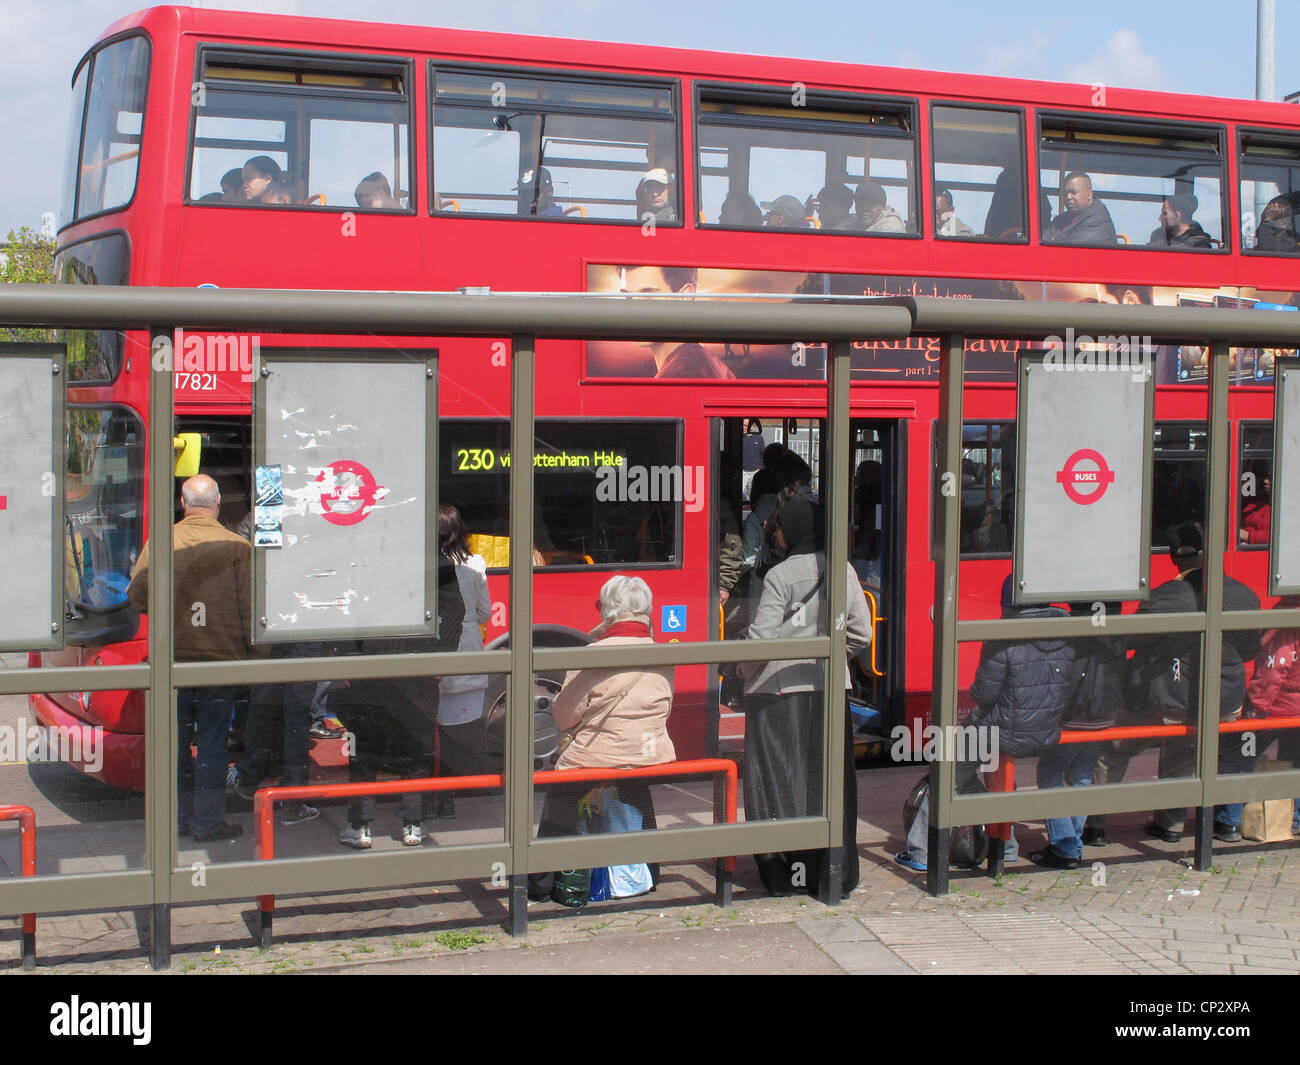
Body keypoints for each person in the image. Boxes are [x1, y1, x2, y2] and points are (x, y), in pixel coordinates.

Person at [1088, 522, 1260, 845]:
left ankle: (1094, 826)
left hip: (1175, 698)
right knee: (1184, 747)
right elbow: (1250, 648)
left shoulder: (1165, 596)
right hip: (1226, 701)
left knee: (1112, 749)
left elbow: (1130, 640)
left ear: (1174, 558)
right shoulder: (1245, 595)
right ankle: (1170, 824)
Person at [742, 497, 871, 898]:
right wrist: (829, 657)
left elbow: (761, 640)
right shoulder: (843, 570)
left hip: (779, 694)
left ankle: (786, 874)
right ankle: (832, 873)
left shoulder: (780, 575)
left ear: (794, 528)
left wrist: (743, 664)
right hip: (830, 692)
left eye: (778, 527)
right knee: (828, 783)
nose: (775, 535)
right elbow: (861, 634)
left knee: (782, 784)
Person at [527, 575, 675, 900]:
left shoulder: (591, 655)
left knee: (564, 793)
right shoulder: (664, 656)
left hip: (597, 758)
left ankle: (540, 883)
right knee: (635, 787)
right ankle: (649, 872)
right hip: (649, 755)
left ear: (603, 610)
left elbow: (565, 716)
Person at [127, 475, 251, 842]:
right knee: (213, 743)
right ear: (217, 502)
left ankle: (175, 819)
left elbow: (137, 592)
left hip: (172, 660)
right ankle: (208, 823)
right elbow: (250, 609)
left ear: (182, 503)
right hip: (219, 662)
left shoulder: (162, 542)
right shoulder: (238, 547)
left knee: (175, 743)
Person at [333, 553, 466, 849]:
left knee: (366, 750)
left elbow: (346, 609)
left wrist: (347, 658)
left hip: (372, 668)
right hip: (416, 671)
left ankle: (361, 826)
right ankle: (412, 825)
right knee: (414, 752)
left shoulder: (367, 555)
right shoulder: (433, 558)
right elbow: (456, 610)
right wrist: (440, 657)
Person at [1030, 603, 1124, 868]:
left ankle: (1066, 847)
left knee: (1049, 775)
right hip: (1103, 716)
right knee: (1081, 777)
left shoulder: (1071, 632)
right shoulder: (1115, 629)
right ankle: (1072, 843)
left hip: (1073, 719)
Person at [434, 504, 494, 818]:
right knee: (460, 729)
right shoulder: (475, 563)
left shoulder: (426, 564)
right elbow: (484, 612)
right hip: (468, 647)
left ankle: (431, 796)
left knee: (430, 729)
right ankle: (452, 796)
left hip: (434, 650)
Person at [1243, 595, 1300, 834]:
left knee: (1243, 754)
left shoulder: (1287, 618)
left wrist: (1256, 707)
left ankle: (1230, 818)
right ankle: (1292, 818)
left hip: (1277, 709)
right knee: (1294, 760)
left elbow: (1274, 668)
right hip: (1295, 710)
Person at [616, 265, 735, 378]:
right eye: (628, 297)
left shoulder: (682, 373)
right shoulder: (705, 364)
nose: (633, 311)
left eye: (648, 295)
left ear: (684, 297)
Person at [1042, 172, 1116, 245]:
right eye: (1065, 193)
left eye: (1074, 192)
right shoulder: (1063, 219)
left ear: (1089, 195)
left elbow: (1071, 247)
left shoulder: (1099, 222)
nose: (1068, 197)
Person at [1147, 193, 1212, 248]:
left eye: (1164, 213)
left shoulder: (1199, 245)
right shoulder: (1158, 236)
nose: (1159, 218)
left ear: (1178, 216)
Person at [1240, 470, 1271, 544]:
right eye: (1265, 477)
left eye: (1271, 478)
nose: (1266, 481)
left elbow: (1282, 537)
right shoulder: (1255, 501)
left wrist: (1247, 535)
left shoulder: (1286, 508)